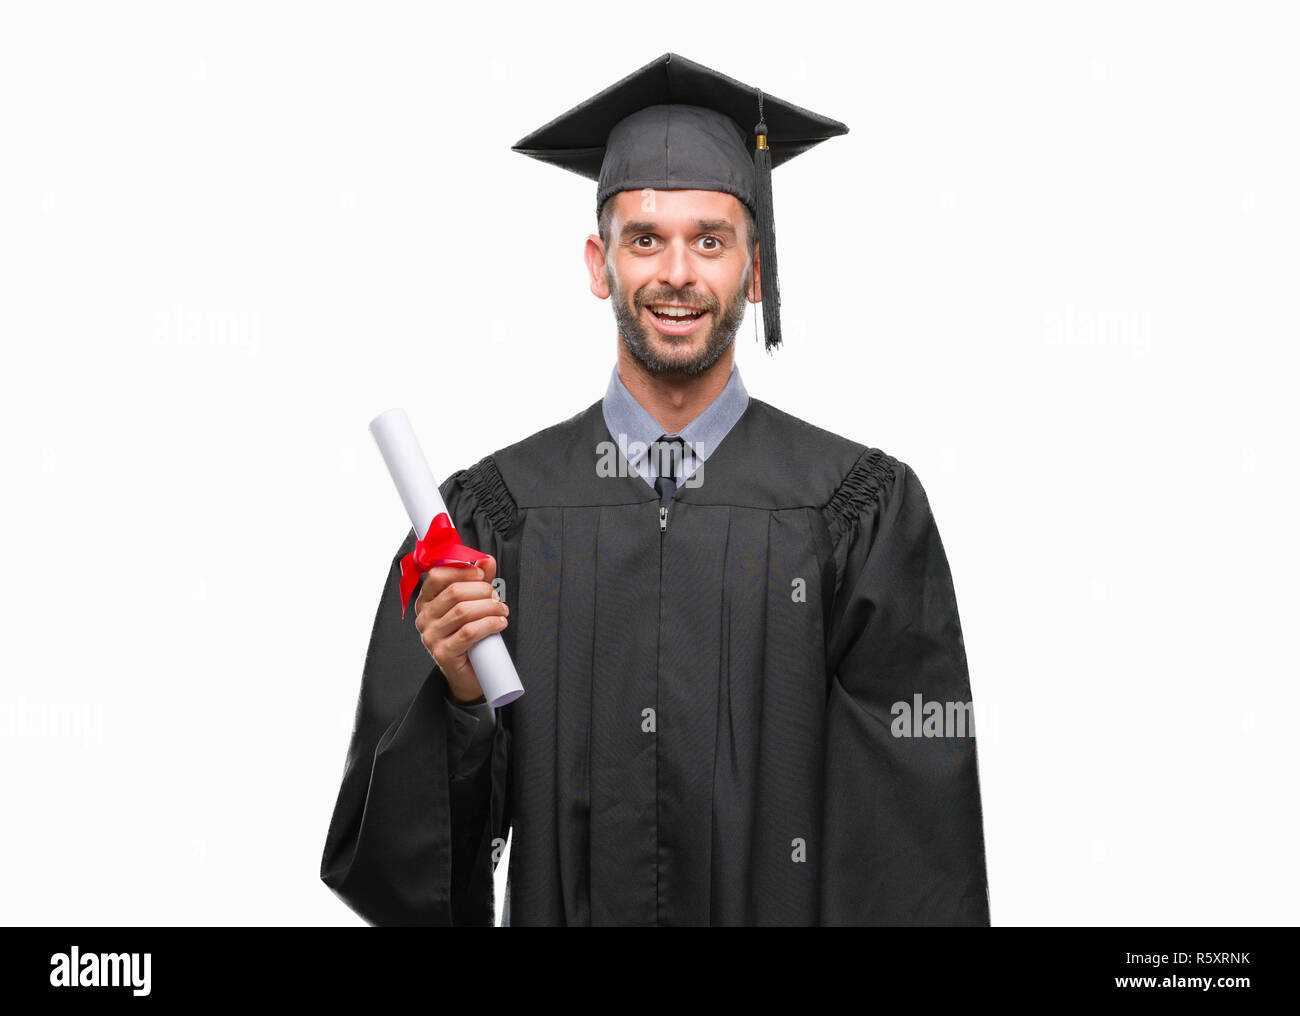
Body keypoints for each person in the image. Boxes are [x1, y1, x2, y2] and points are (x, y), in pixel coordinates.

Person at [320, 52, 991, 926]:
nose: (677, 273)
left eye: (710, 240)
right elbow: (400, 883)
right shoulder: (492, 521)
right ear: (601, 264)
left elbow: (913, 855)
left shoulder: (859, 514)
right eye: (646, 239)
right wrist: (457, 699)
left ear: (756, 268)